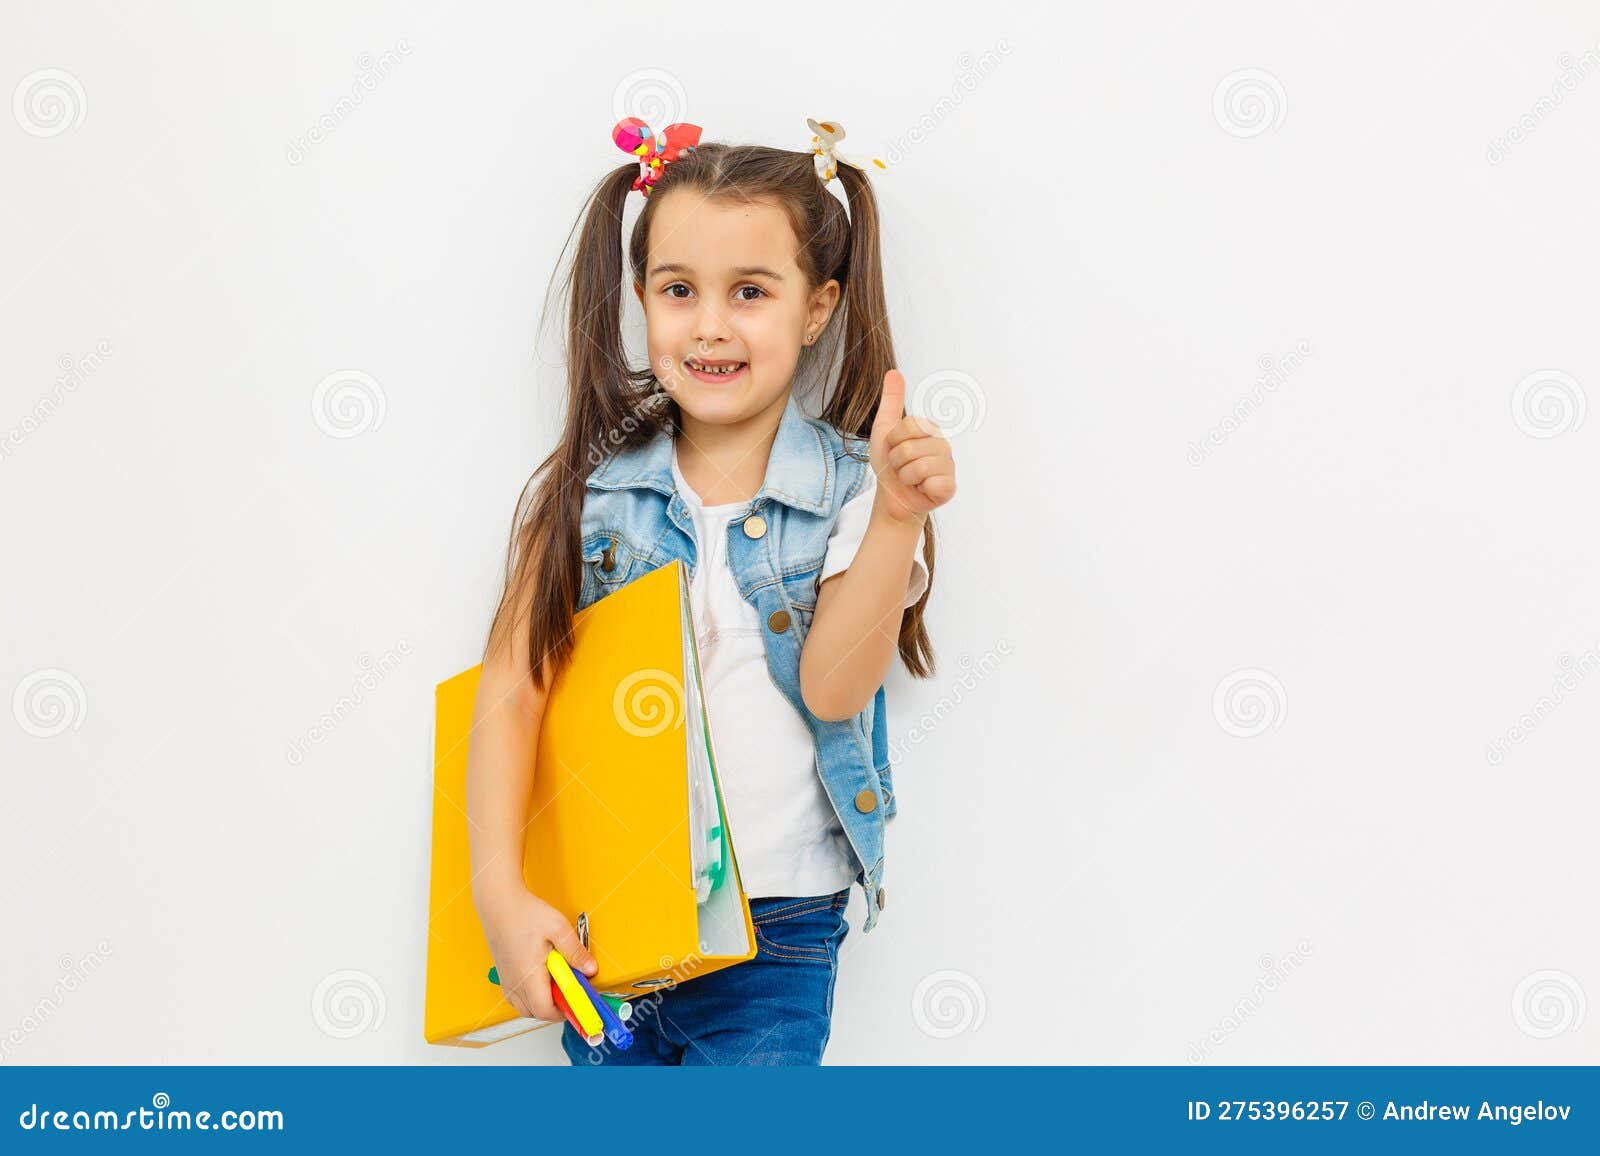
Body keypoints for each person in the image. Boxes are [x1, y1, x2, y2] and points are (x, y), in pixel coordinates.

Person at [465, 117, 956, 1065]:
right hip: (611, 929)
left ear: (817, 309)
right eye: (679, 289)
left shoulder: (855, 491)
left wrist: (898, 518)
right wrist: (500, 894)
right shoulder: (587, 495)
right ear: (641, 298)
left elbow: (834, 690)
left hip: (777, 935)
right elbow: (510, 692)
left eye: (751, 292)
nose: (711, 325)